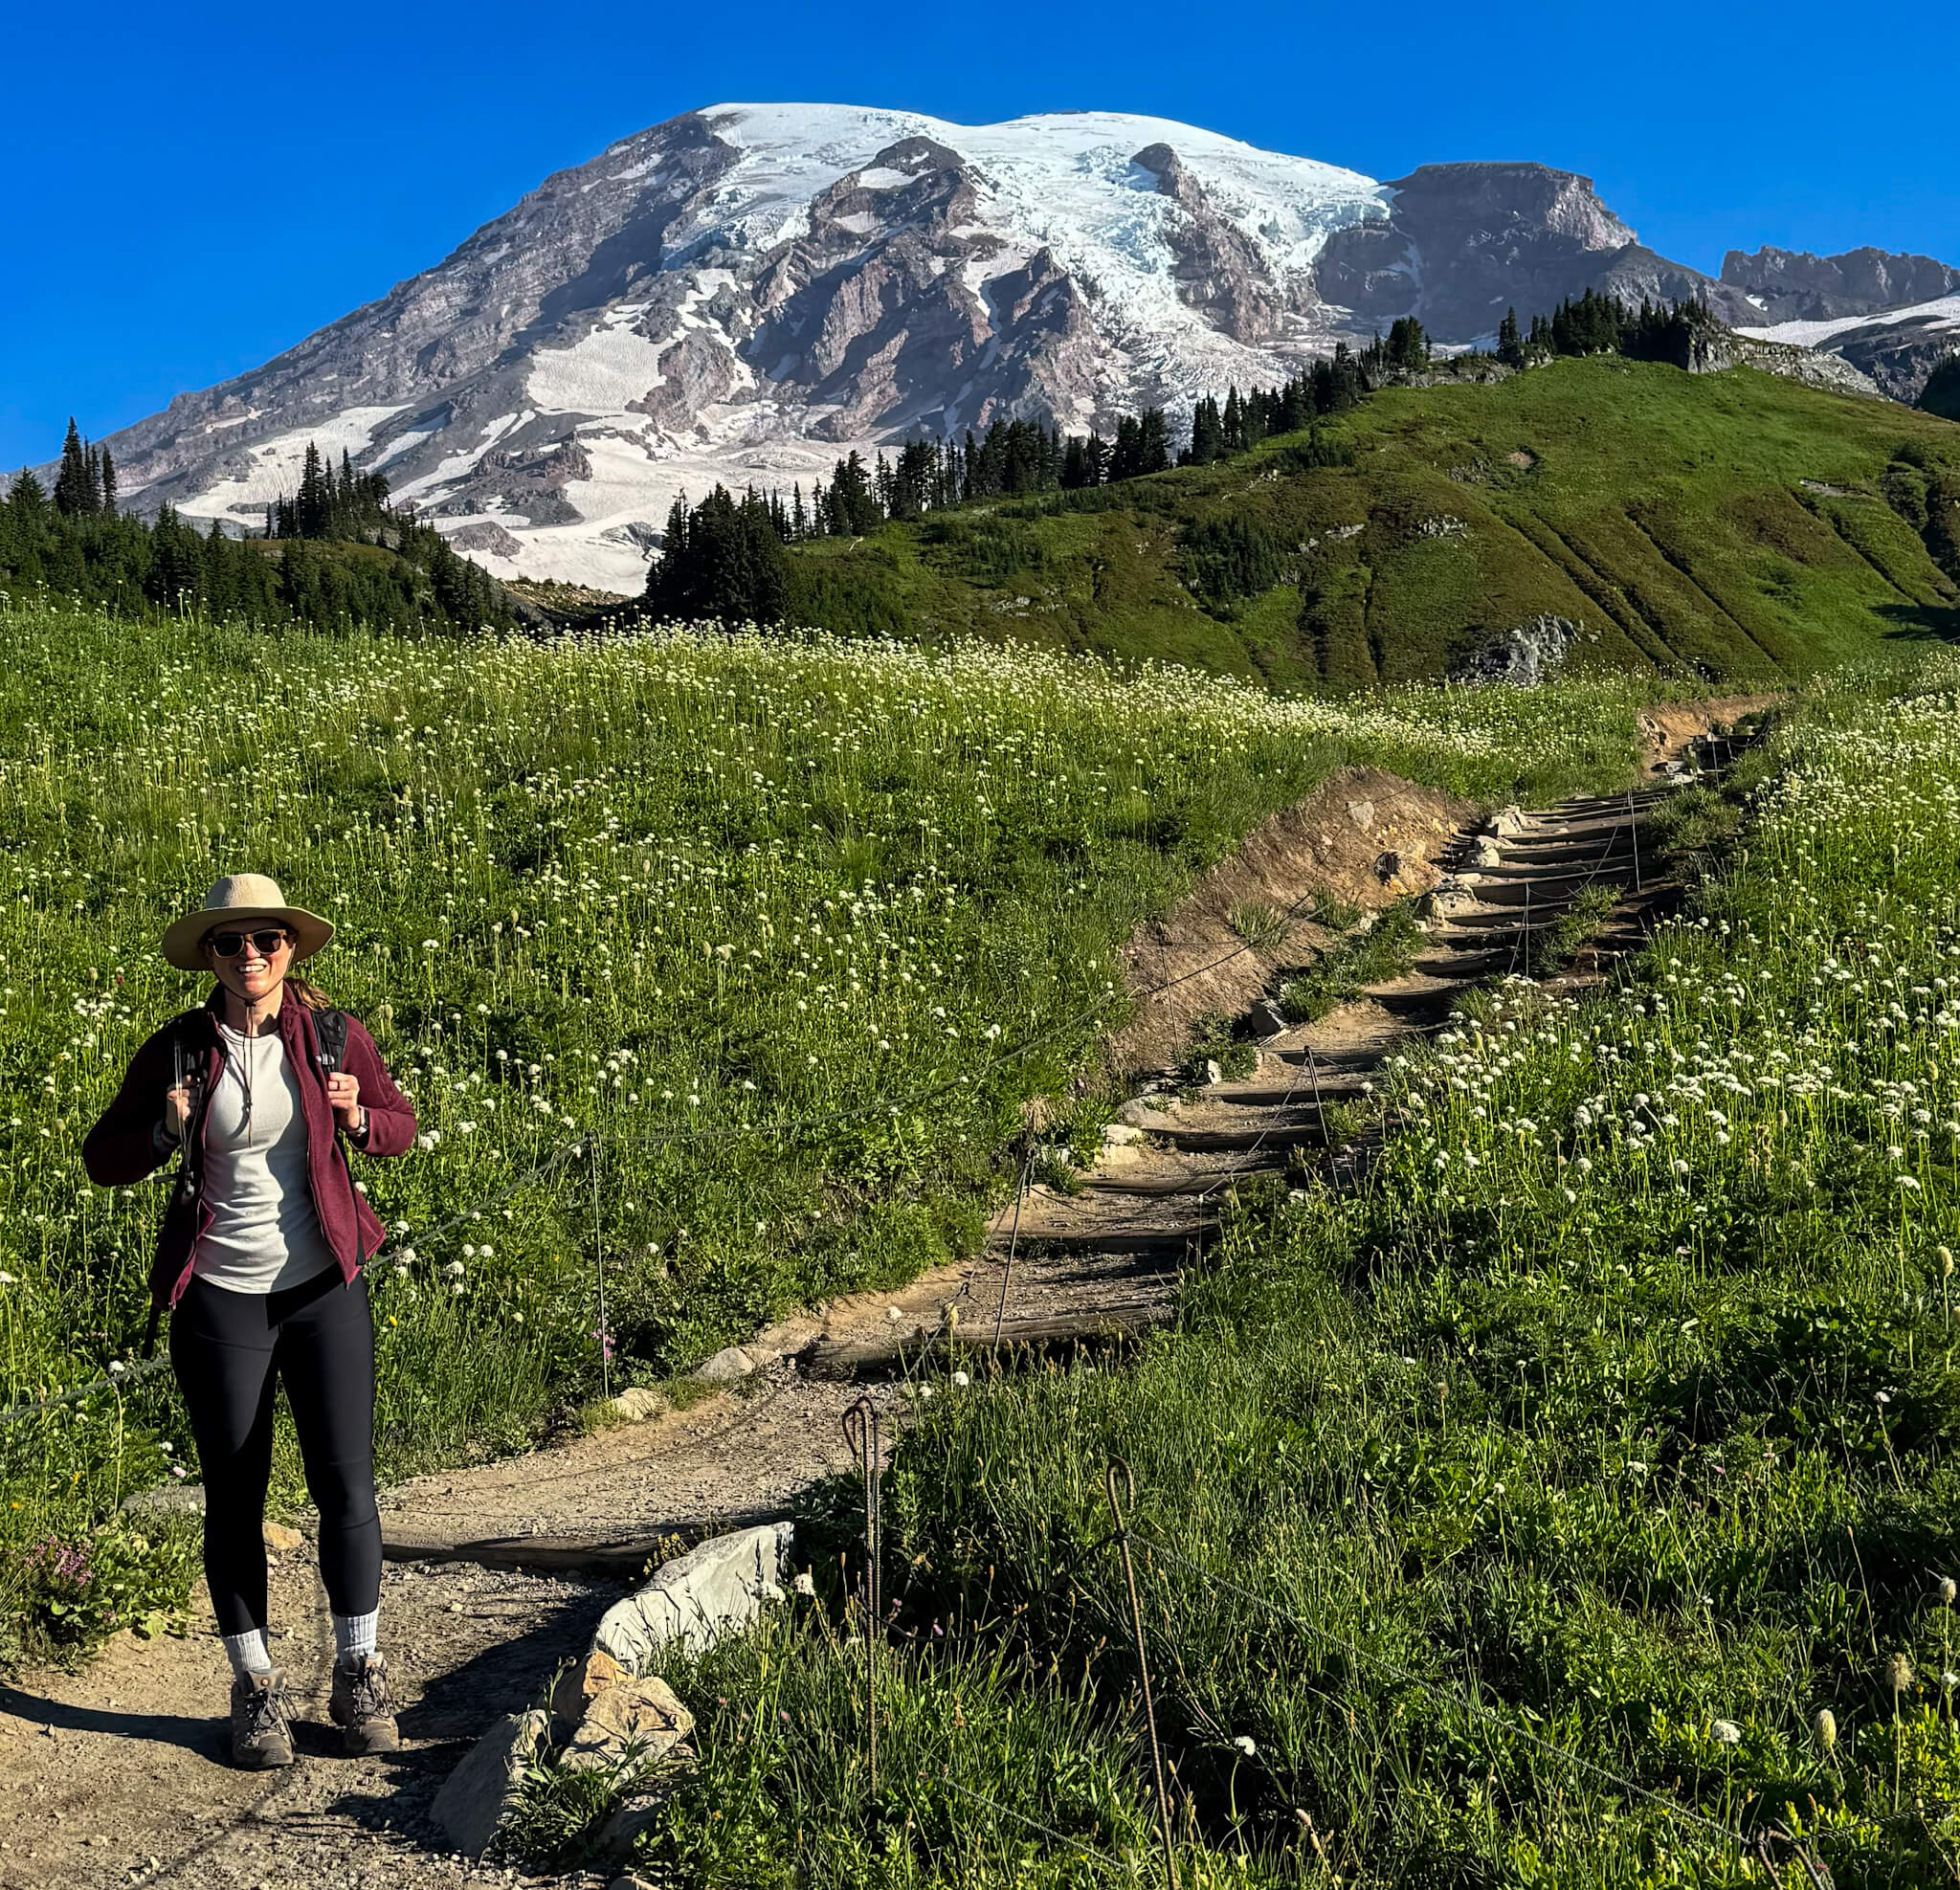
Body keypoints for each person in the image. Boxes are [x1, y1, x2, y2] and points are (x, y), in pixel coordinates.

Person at [83, 875, 416, 1770]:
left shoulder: (332, 1037)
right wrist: (162, 1133)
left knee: (347, 1485)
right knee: (235, 1497)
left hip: (323, 1286)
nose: (252, 955)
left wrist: (359, 1116)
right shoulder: (182, 1050)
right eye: (232, 943)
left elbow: (400, 1122)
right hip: (220, 1300)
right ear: (213, 957)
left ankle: (359, 1670)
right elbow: (100, 1155)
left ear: (291, 949)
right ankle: (257, 1685)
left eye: (267, 939)